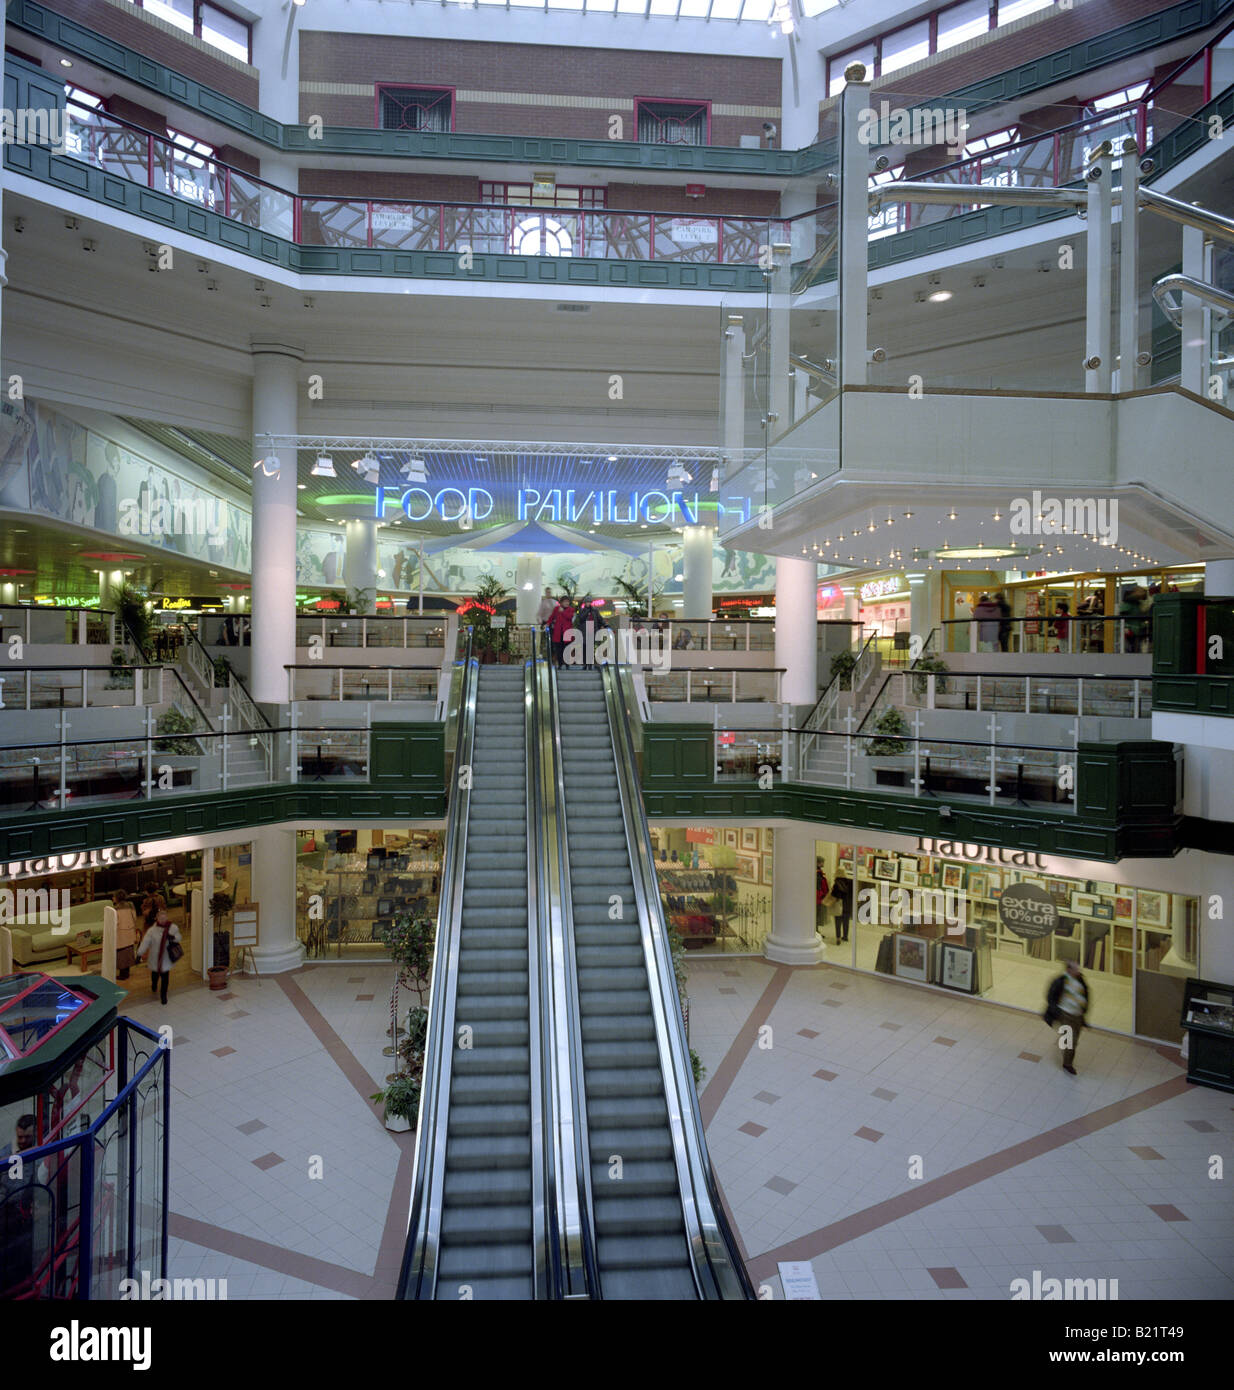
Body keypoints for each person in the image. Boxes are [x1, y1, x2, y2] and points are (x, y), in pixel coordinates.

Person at [1044, 960, 1090, 1075]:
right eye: (1075, 969)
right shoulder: (1060, 981)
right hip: (1066, 1014)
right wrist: (1056, 1012)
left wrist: (1084, 1011)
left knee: (1074, 1038)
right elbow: (1050, 997)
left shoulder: (1081, 980)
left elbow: (1086, 994)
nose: (1078, 971)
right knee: (1071, 1041)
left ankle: (1066, 1048)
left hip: (1078, 1015)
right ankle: (1067, 1064)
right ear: (1069, 970)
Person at [136, 894, 181, 1006]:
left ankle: (162, 994)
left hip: (161, 958)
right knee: (159, 976)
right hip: (159, 958)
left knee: (161, 977)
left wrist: (139, 954)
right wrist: (139, 954)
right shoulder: (156, 930)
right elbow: (145, 943)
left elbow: (178, 937)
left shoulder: (165, 929)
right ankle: (157, 988)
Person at [112, 891, 139, 982]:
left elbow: (115, 922)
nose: (113, 898)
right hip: (130, 931)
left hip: (121, 933)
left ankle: (123, 974)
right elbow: (134, 918)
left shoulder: (115, 909)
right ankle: (127, 972)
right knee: (129, 950)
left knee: (121, 953)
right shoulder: (130, 905)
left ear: (117, 898)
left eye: (113, 896)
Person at [549, 595, 575, 670]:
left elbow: (569, 617)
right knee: (559, 650)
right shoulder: (556, 609)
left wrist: (563, 612)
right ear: (561, 602)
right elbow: (551, 617)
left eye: (568, 602)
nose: (567, 603)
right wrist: (547, 624)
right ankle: (560, 664)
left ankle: (567, 664)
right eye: (565, 602)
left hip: (567, 633)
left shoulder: (571, 609)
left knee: (566, 650)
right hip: (558, 633)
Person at [831, 874, 854, 944]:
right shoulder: (850, 883)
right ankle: (845, 936)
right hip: (848, 905)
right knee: (846, 922)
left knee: (838, 922)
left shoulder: (836, 884)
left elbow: (834, 895)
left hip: (839, 905)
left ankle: (838, 937)